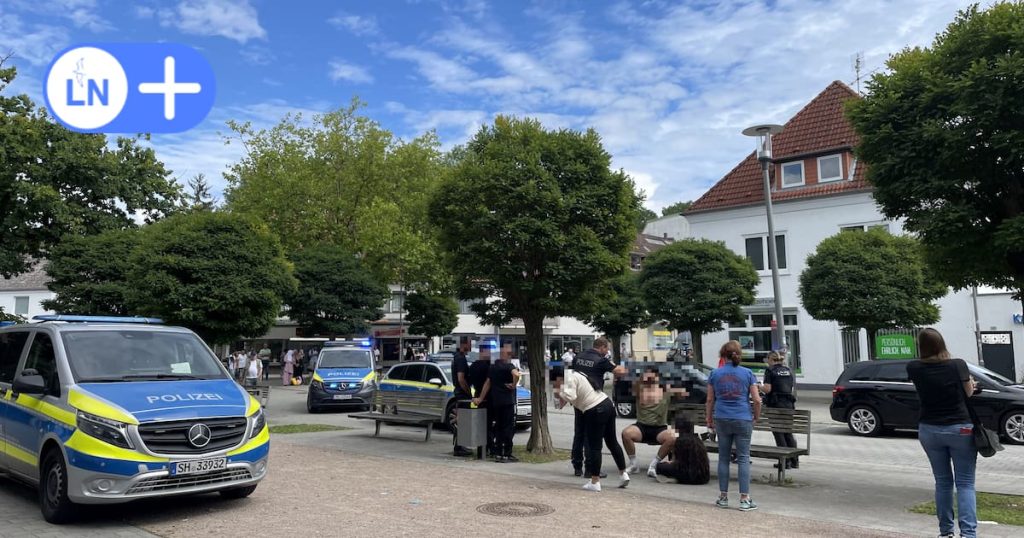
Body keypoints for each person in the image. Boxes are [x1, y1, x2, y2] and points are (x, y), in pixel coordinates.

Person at [907, 328, 978, 538]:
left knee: (942, 481)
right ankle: (968, 534)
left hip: (929, 428)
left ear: (920, 346)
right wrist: (971, 384)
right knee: (965, 483)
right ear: (942, 343)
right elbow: (968, 392)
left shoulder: (914, 368)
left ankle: (945, 532)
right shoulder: (957, 365)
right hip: (960, 428)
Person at [553, 366, 630, 491]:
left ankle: (595, 481)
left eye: (554, 381)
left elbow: (569, 398)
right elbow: (560, 405)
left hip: (594, 409)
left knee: (594, 446)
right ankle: (623, 474)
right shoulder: (578, 374)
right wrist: (560, 394)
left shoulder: (569, 379)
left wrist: (558, 391)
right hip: (607, 404)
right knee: (612, 442)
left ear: (558, 378)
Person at [706, 340, 761, 511]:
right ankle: (745, 499)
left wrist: (709, 419)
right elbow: (757, 399)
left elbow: (709, 399)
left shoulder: (715, 373)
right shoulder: (748, 373)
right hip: (743, 417)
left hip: (721, 417)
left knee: (723, 457)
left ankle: (723, 497)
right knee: (743, 458)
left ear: (723, 355)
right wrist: (755, 417)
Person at [569, 338, 625, 477]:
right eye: (607, 349)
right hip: (593, 402)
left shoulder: (578, 357)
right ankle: (590, 469)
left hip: (578, 399)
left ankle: (577, 466)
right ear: (602, 347)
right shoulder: (601, 360)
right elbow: (619, 371)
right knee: (591, 436)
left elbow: (571, 375)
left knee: (579, 433)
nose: (607, 351)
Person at [621, 368, 688, 478]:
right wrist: (642, 379)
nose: (649, 379)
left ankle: (654, 465)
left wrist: (671, 385)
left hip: (659, 428)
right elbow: (635, 385)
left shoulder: (665, 390)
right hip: (641, 427)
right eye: (647, 376)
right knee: (626, 433)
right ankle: (634, 464)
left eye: (652, 377)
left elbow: (683, 394)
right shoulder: (640, 389)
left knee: (673, 437)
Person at [473, 344, 520, 463]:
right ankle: (507, 454)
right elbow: (516, 374)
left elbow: (487, 384)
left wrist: (480, 398)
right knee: (508, 427)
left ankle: (498, 453)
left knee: (498, 427)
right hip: (508, 401)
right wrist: (513, 385)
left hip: (496, 401)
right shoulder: (509, 366)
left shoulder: (493, 367)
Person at [760, 350, 799, 469]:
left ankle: (784, 461)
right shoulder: (788, 371)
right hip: (788, 404)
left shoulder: (770, 371)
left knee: (778, 432)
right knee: (788, 432)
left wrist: (758, 386)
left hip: (776, 405)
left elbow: (767, 389)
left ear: (770, 359)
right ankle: (794, 461)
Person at [655, 416, 710, 485]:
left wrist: (670, 463)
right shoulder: (697, 440)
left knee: (659, 467)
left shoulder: (680, 441)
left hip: (688, 475)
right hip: (703, 477)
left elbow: (678, 463)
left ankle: (674, 478)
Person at [469, 343, 495, 456]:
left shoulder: (473, 366)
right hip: (489, 397)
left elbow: (470, 381)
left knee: (482, 424)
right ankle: (490, 448)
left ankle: (481, 449)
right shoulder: (490, 366)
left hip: (478, 395)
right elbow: (489, 382)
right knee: (489, 424)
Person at [451, 341, 474, 457]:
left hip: (459, 393)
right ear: (463, 344)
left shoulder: (456, 357)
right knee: (463, 420)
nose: (470, 346)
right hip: (462, 393)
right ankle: (460, 447)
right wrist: (468, 391)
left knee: (461, 419)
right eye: (469, 343)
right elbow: (461, 379)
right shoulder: (460, 358)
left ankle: (459, 446)